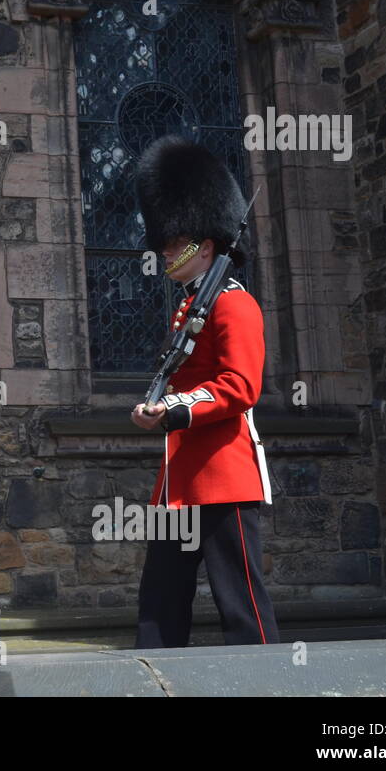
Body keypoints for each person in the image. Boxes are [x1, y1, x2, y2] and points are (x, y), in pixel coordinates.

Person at [128, 136, 279, 648]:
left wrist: (170, 409)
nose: (166, 250)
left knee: (241, 605)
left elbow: (240, 386)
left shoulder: (234, 306)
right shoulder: (188, 310)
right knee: (160, 605)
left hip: (223, 477)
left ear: (206, 244)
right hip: (180, 480)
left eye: (176, 241)